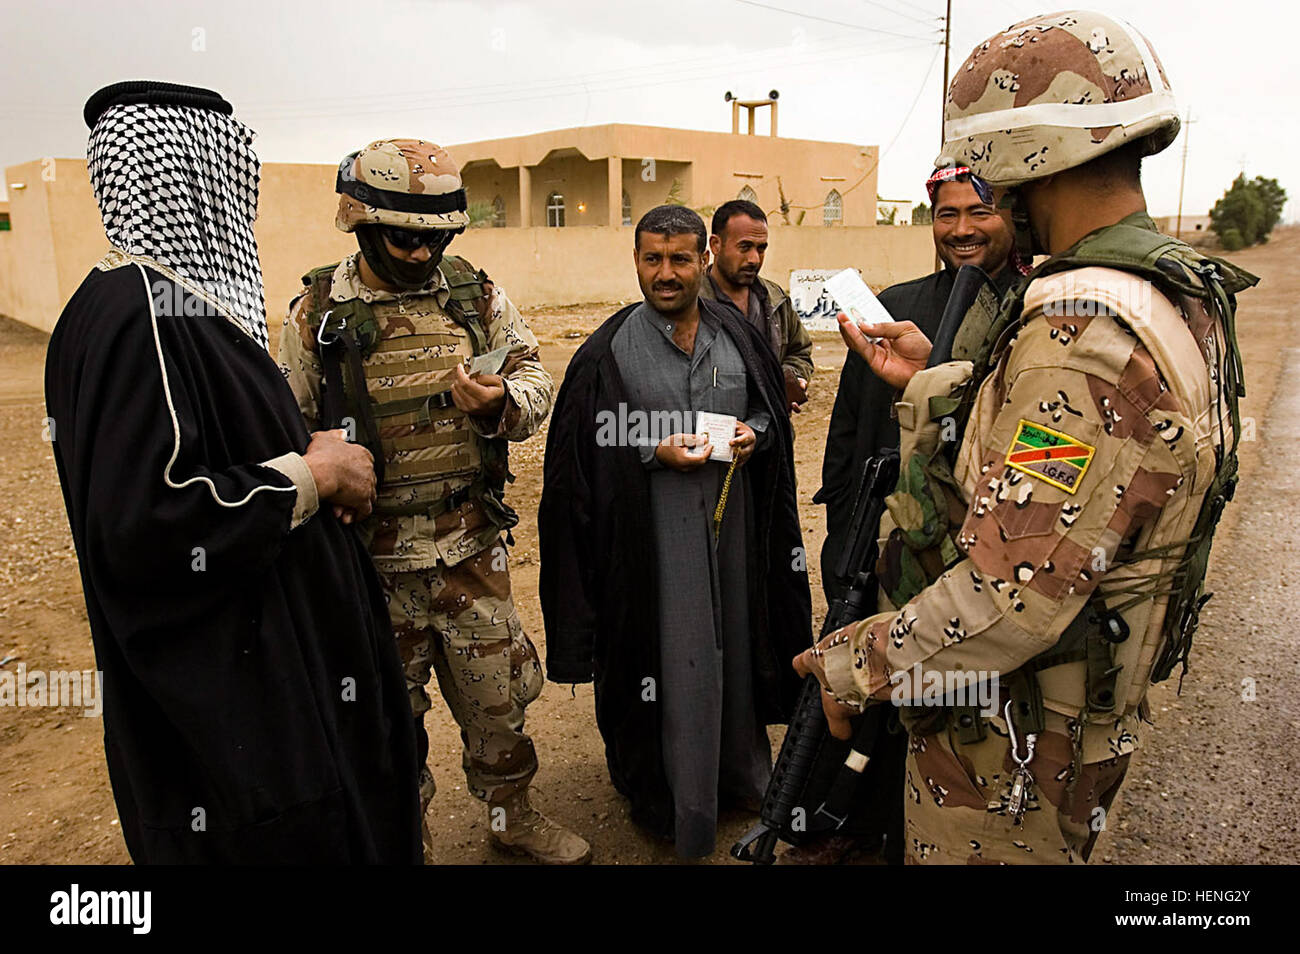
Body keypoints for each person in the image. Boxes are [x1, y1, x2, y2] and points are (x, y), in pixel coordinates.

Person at [794, 10, 1257, 865]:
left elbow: (1010, 597)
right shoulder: (1168, 287)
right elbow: (1097, 458)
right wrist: (941, 380)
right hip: (1070, 718)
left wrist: (851, 663)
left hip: (1011, 741)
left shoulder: (1085, 326)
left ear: (1021, 155)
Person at [45, 81, 421, 864]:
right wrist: (311, 475)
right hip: (244, 721)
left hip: (266, 692)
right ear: (189, 172)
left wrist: (297, 455)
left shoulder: (158, 310)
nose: (241, 192)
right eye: (230, 169)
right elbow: (149, 517)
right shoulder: (141, 313)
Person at [278, 139, 589, 865]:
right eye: (404, 238)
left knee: (499, 708)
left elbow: (537, 380)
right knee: (387, 725)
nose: (422, 253)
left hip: (472, 550)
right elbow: (286, 430)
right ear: (357, 221)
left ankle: (512, 820)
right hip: (372, 568)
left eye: (437, 238)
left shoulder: (476, 296)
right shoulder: (316, 315)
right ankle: (401, 844)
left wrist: (500, 404)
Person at [539, 205, 811, 858]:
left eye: (680, 258)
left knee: (740, 653)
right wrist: (650, 448)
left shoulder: (738, 336)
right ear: (636, 261)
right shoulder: (607, 351)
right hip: (652, 550)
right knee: (669, 666)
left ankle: (744, 778)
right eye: (652, 258)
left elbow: (766, 412)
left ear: (703, 260)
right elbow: (580, 458)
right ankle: (672, 798)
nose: (666, 272)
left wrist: (756, 434)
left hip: (734, 540)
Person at [787, 166, 1020, 866]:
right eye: (946, 214)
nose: (961, 229)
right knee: (865, 695)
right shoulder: (899, 307)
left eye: (977, 211)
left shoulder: (1028, 312)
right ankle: (849, 822)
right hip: (885, 540)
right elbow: (851, 429)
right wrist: (840, 531)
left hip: (975, 556)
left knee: (950, 701)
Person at [699, 199, 815, 413]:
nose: (754, 259)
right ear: (716, 245)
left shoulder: (775, 299)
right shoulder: (692, 304)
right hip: (712, 436)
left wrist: (791, 379)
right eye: (744, 247)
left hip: (771, 434)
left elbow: (800, 351)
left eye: (761, 249)